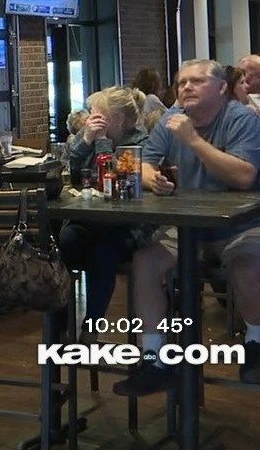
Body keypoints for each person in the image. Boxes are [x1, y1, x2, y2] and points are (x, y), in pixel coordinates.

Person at [114, 60, 260, 395]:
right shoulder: (170, 120)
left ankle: (254, 341)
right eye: (181, 83)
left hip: (249, 223)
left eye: (196, 81)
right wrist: (154, 180)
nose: (186, 88)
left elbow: (244, 176)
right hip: (190, 225)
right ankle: (155, 359)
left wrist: (193, 141)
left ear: (222, 88)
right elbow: (144, 164)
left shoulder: (242, 119)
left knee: (246, 270)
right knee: (145, 263)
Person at [58, 87, 149, 335]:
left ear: (118, 120)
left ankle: (91, 325)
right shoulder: (90, 137)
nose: (90, 119)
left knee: (103, 253)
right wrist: (85, 139)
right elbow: (70, 171)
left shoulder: (141, 143)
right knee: (64, 241)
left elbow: (116, 177)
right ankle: (59, 325)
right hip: (91, 220)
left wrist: (101, 143)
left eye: (97, 114)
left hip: (127, 225)